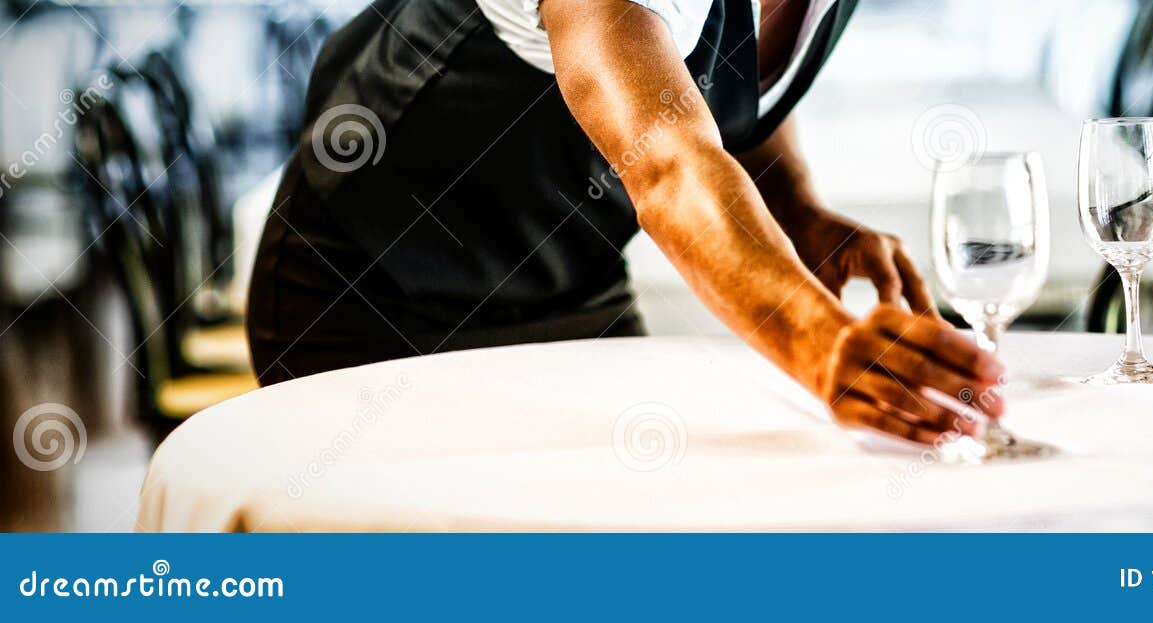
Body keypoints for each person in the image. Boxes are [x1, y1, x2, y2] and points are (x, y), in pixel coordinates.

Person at [247, 0, 1005, 444]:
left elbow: (725, 80)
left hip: (570, 280)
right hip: (370, 286)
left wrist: (800, 209)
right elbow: (667, 160)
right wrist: (822, 339)